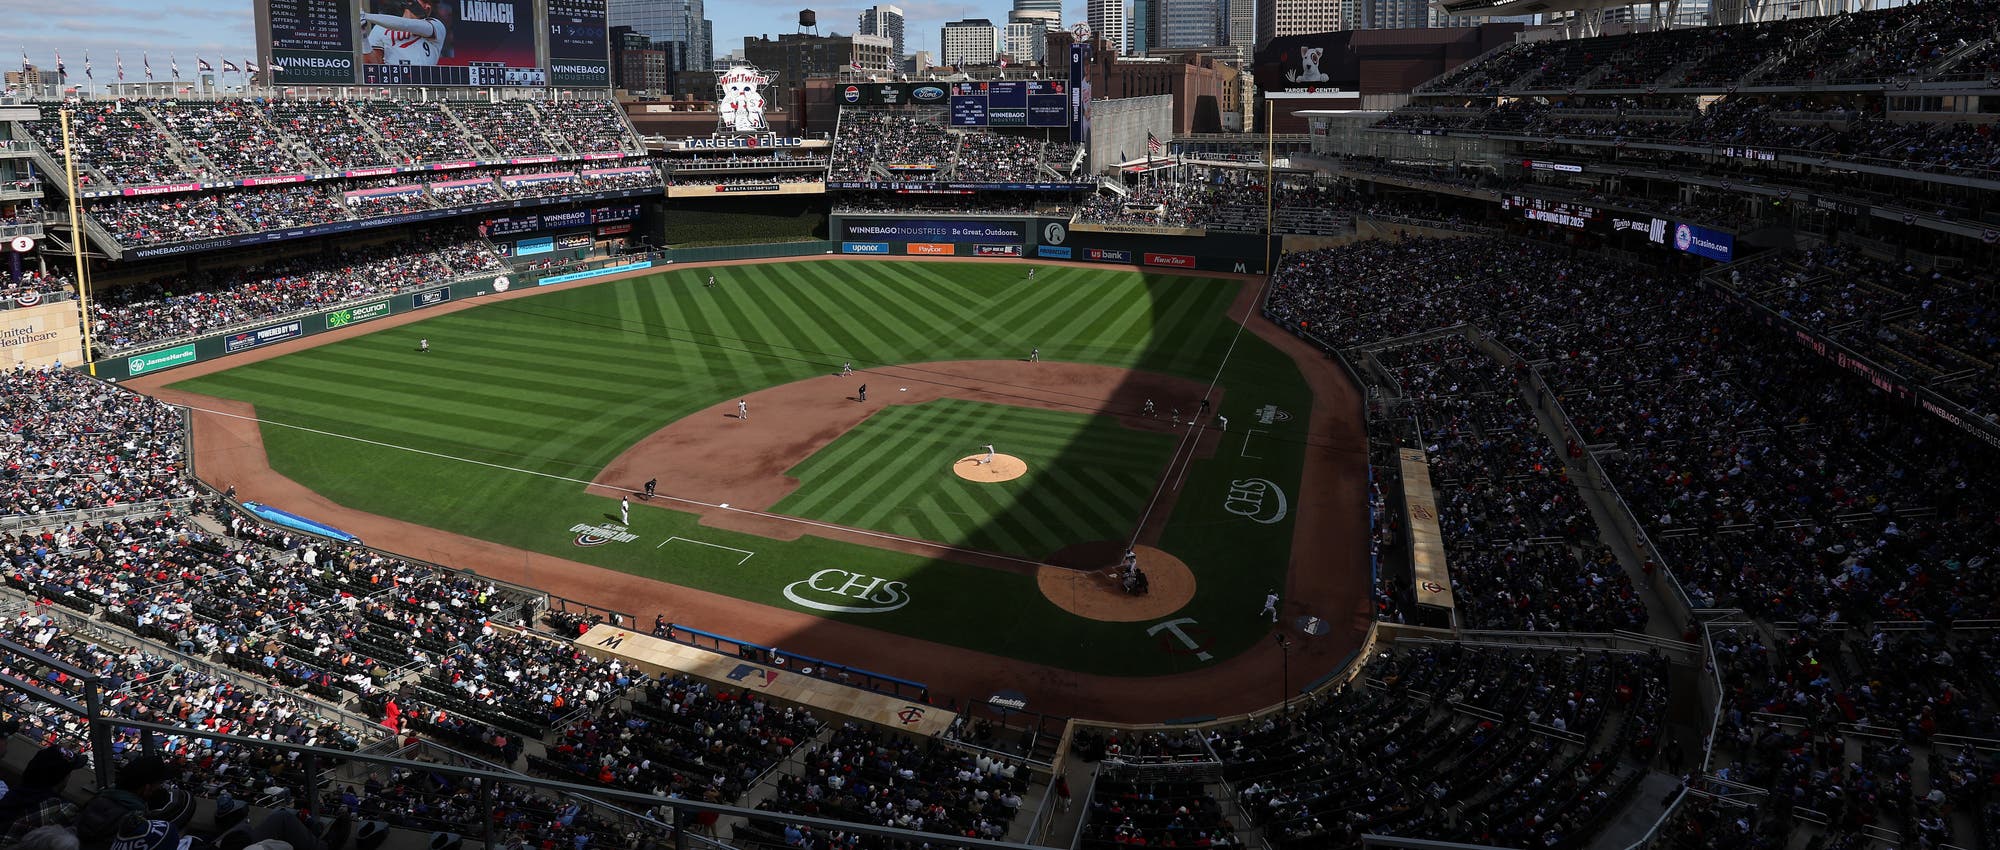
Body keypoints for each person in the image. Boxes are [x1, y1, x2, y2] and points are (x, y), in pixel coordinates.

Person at [361, 0, 447, 66]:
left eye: (431, 4)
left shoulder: (436, 25)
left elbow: (405, 24)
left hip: (425, 84)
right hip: (394, 84)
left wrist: (365, 16)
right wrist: (363, 36)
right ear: (409, 1)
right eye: (424, 1)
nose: (428, 6)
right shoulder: (380, 28)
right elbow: (371, 64)